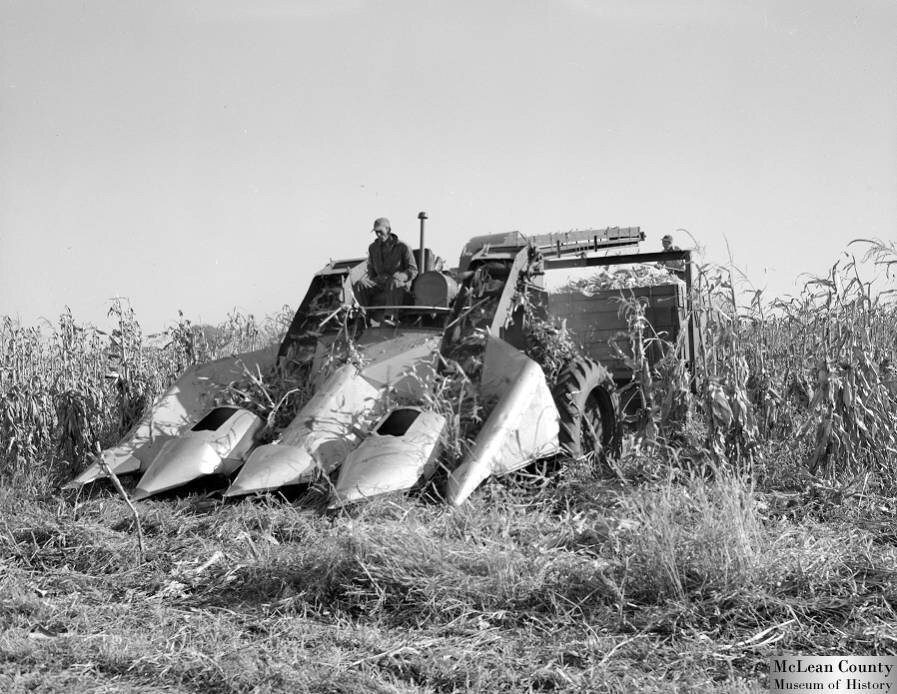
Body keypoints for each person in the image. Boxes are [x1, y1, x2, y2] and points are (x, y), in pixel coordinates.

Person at [355, 217, 418, 320]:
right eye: (376, 232)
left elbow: (413, 270)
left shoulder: (403, 247)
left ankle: (390, 318)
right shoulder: (373, 248)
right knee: (360, 284)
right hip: (380, 284)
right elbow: (371, 269)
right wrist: (375, 279)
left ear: (388, 230)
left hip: (398, 285)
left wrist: (401, 276)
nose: (378, 235)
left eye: (380, 231)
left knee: (394, 282)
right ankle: (363, 319)